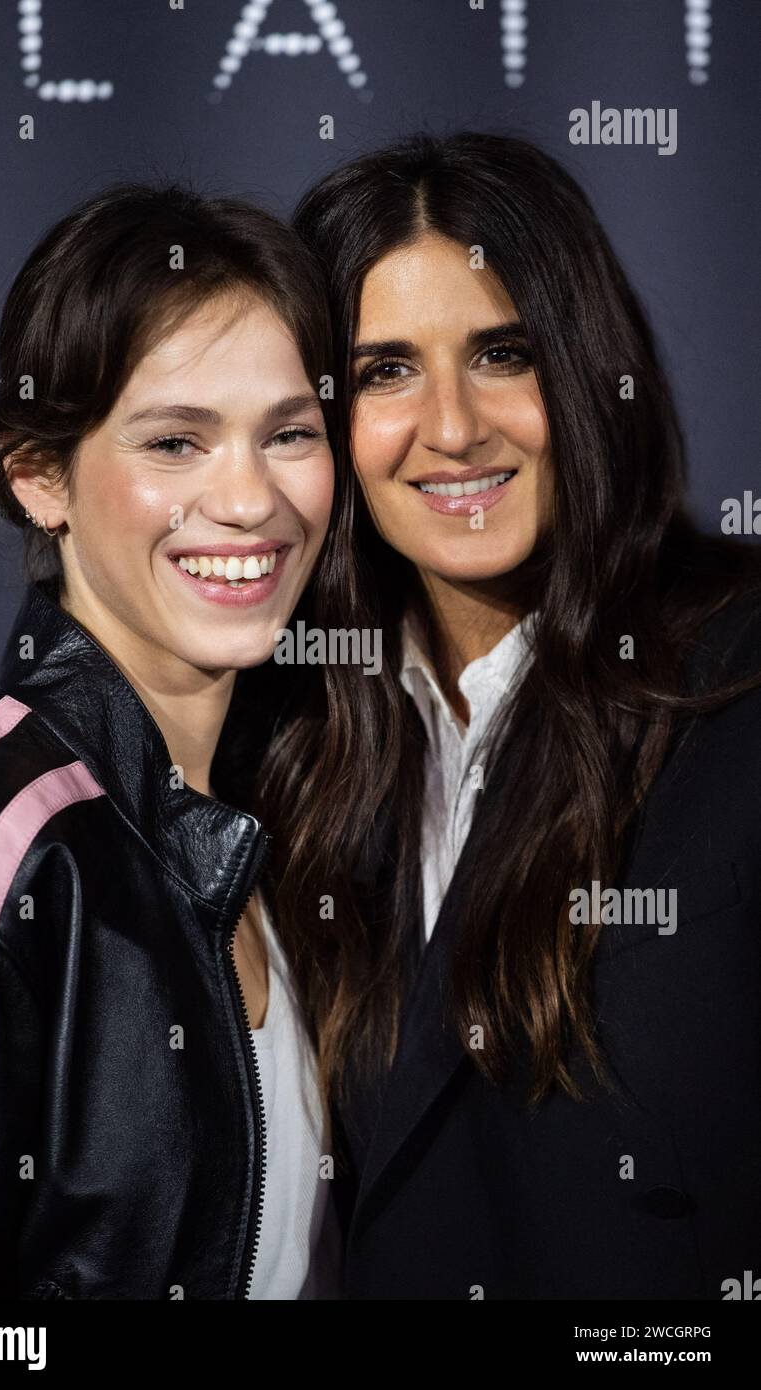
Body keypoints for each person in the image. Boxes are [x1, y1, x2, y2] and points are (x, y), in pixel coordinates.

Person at [256, 130, 761, 1298]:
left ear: (587, 369)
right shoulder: (293, 741)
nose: (451, 426)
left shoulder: (737, 672)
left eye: (500, 353)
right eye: (383, 370)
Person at [0, 183, 343, 1300]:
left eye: (288, 433)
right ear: (38, 476)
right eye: (175, 441)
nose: (248, 500)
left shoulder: (284, 810)